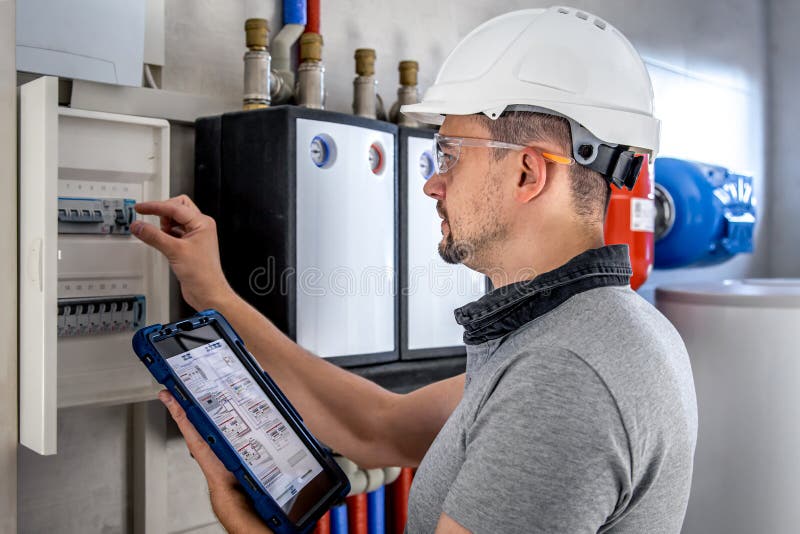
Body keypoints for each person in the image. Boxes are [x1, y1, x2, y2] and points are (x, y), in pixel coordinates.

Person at [131, 6, 697, 533]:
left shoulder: (563, 374)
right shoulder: (583, 331)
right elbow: (376, 427)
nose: (431, 182)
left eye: (449, 154)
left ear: (528, 174)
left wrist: (238, 518)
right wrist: (217, 296)